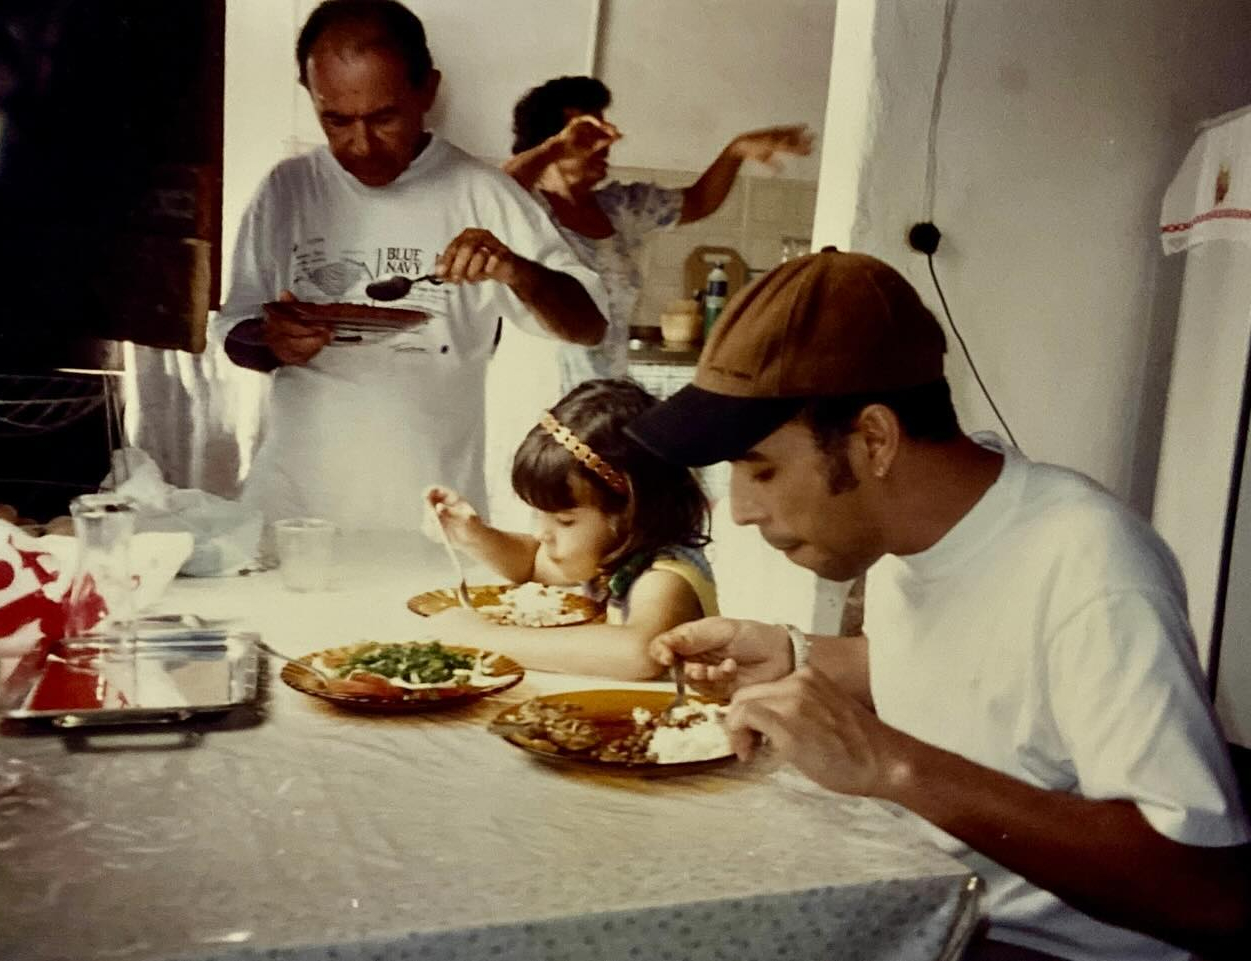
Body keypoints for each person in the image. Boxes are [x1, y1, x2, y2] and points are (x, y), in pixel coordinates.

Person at [625, 251, 1251, 961]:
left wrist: (891, 764)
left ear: (874, 439)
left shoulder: (1090, 563)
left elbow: (1206, 891)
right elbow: (987, 669)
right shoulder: (920, 532)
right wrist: (798, 654)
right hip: (926, 911)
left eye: (761, 469)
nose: (739, 509)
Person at [214, 1, 609, 532]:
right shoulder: (287, 189)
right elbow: (234, 330)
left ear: (428, 90)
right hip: (291, 511)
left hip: (430, 517)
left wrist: (517, 270)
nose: (361, 144)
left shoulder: (483, 192)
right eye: (335, 119)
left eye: (384, 117)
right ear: (312, 97)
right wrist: (269, 340)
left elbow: (588, 325)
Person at [502, 75, 813, 391]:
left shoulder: (618, 208)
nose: (604, 144)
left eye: (603, 132)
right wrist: (555, 148)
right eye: (587, 134)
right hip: (532, 392)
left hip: (600, 397)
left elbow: (699, 201)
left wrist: (736, 150)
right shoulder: (526, 208)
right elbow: (493, 191)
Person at [424, 378, 714, 680]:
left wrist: (483, 638)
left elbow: (641, 652)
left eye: (564, 521)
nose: (542, 534)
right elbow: (532, 563)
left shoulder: (667, 576)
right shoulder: (608, 557)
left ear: (628, 513)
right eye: (540, 516)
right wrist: (474, 535)